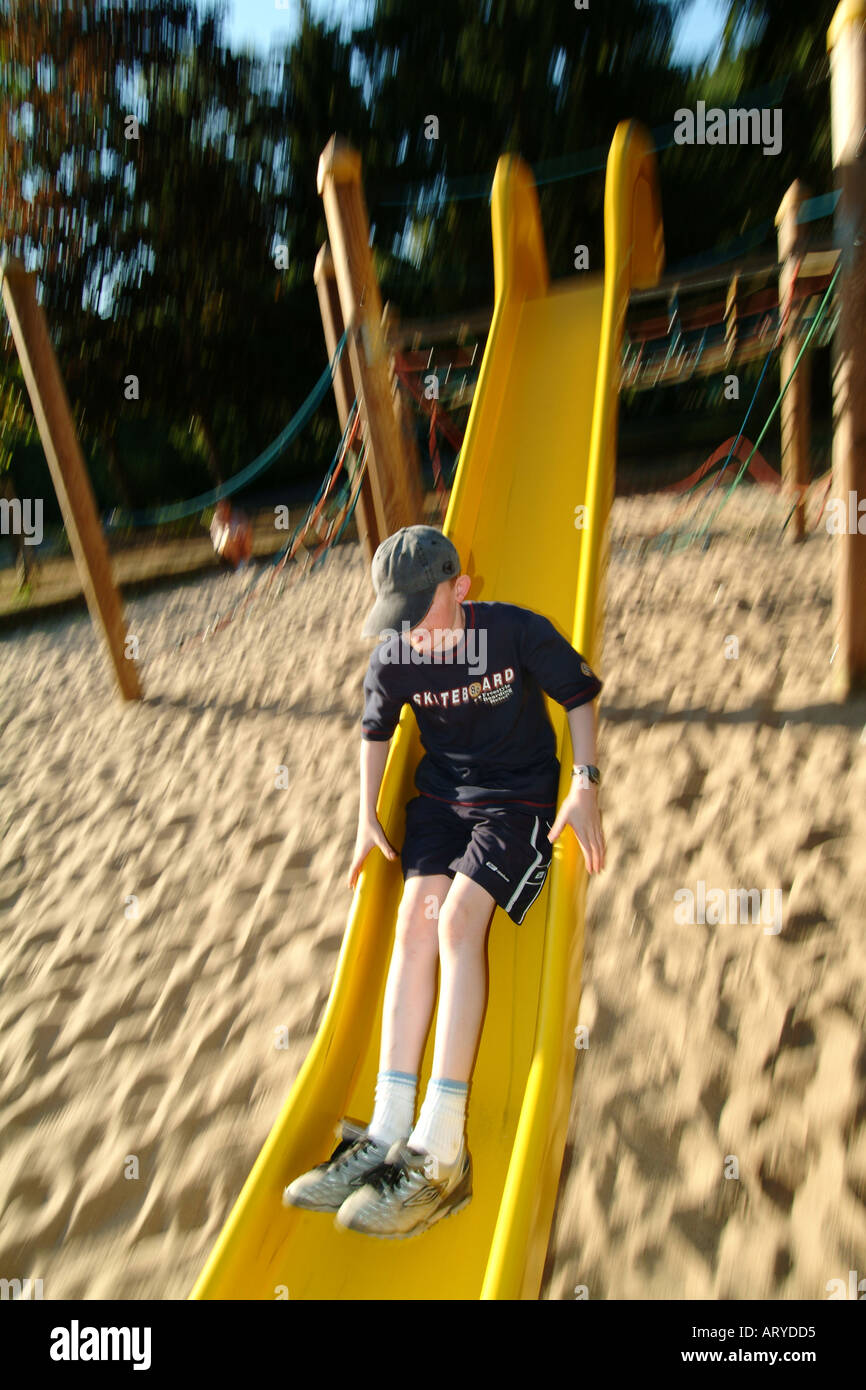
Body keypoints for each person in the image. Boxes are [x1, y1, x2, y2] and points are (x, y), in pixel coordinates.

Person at [283, 524, 605, 1238]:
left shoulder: (514, 634)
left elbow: (578, 693)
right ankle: (389, 1126)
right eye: (396, 622)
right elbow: (374, 729)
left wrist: (583, 782)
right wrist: (365, 814)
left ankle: (443, 1151)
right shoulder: (397, 655)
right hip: (439, 800)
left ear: (461, 589)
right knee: (414, 920)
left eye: (418, 617)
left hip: (517, 798)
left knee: (461, 921)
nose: (408, 637)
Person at [210, 499, 252, 570]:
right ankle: (238, 565)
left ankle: (246, 560)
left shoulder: (237, 514)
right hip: (223, 551)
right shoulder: (217, 520)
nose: (224, 510)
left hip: (239, 544)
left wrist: (240, 533)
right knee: (231, 541)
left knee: (245, 530)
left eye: (225, 506)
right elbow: (219, 545)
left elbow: (245, 530)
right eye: (221, 508)